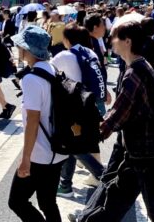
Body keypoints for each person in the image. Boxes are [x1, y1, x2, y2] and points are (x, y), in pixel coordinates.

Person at [72, 20, 154, 222]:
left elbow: (118, 114)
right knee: (121, 199)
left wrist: (90, 133)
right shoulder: (141, 65)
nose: (111, 41)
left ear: (127, 41)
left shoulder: (134, 73)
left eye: (115, 37)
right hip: (141, 150)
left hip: (143, 151)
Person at [8, 25, 67, 222]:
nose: (18, 49)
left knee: (16, 201)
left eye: (20, 46)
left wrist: (25, 158)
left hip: (40, 153)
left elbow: (32, 121)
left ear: (27, 49)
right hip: (58, 148)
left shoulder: (32, 79)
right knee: (48, 202)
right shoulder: (52, 69)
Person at [51, 25, 105, 196]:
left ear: (67, 39)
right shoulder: (91, 53)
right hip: (90, 104)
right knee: (72, 143)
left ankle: (104, 176)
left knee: (74, 146)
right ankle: (65, 184)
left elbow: (49, 72)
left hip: (72, 105)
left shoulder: (64, 56)